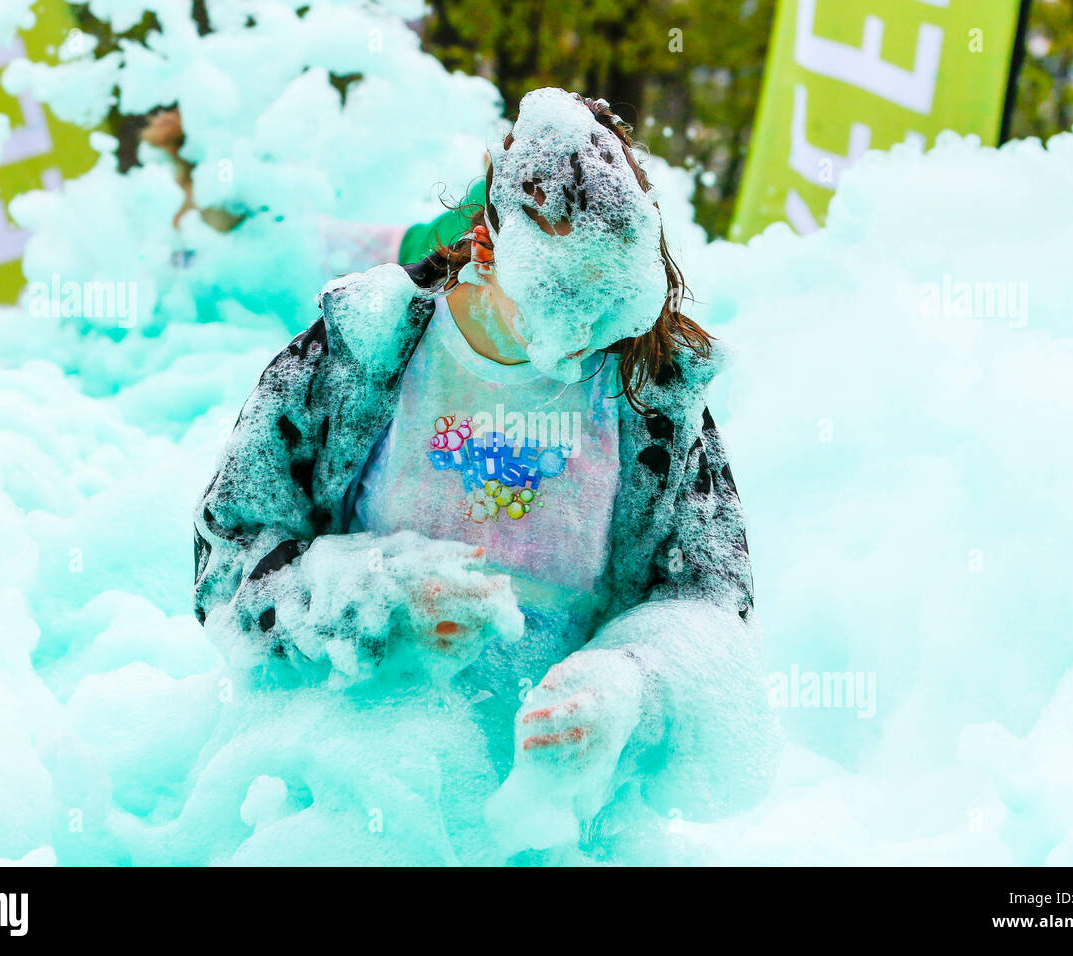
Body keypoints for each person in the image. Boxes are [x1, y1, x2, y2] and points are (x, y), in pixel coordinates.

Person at [192, 89, 777, 826]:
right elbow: (228, 563)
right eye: (563, 296)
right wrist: (379, 601)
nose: (585, 337)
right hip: (362, 791)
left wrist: (629, 689)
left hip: (563, 812)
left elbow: (714, 607)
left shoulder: (650, 394)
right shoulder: (361, 352)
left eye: (614, 301)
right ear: (492, 247)